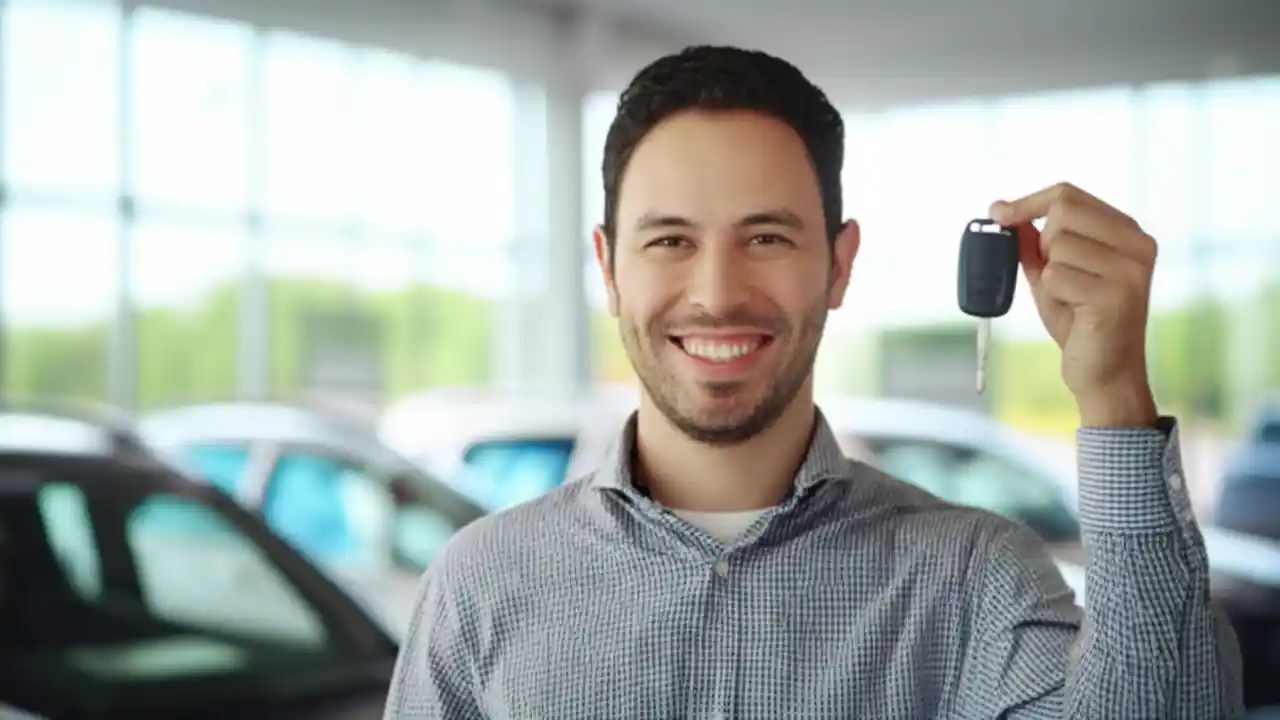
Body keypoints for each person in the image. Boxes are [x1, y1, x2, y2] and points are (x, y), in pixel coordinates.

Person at [383, 46, 1243, 719]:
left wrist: (1115, 398)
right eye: (671, 240)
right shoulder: (479, 587)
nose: (717, 294)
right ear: (609, 269)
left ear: (839, 265)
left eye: (766, 238)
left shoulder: (976, 580)